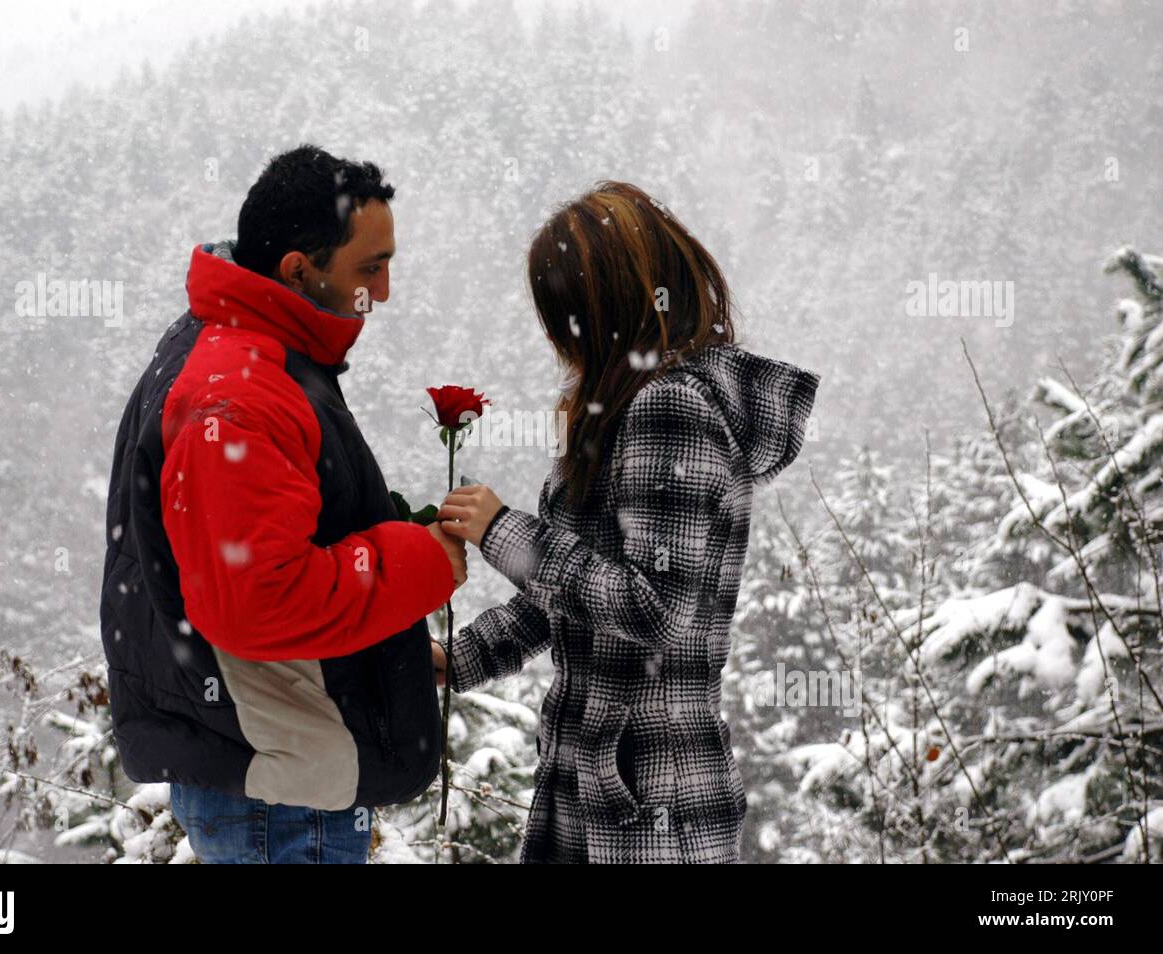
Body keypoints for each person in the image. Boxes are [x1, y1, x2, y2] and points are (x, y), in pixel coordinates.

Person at [99, 144, 468, 863]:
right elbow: (258, 601)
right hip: (285, 800)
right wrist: (421, 562)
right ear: (299, 269)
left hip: (275, 774)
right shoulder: (239, 394)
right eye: (370, 268)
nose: (384, 291)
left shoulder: (242, 348)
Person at [433, 180, 821, 863]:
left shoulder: (669, 408)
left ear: (605, 308)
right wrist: (454, 658)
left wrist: (503, 532)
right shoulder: (631, 406)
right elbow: (571, 601)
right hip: (606, 788)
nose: (561, 339)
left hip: (649, 801)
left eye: (568, 314)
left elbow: (652, 606)